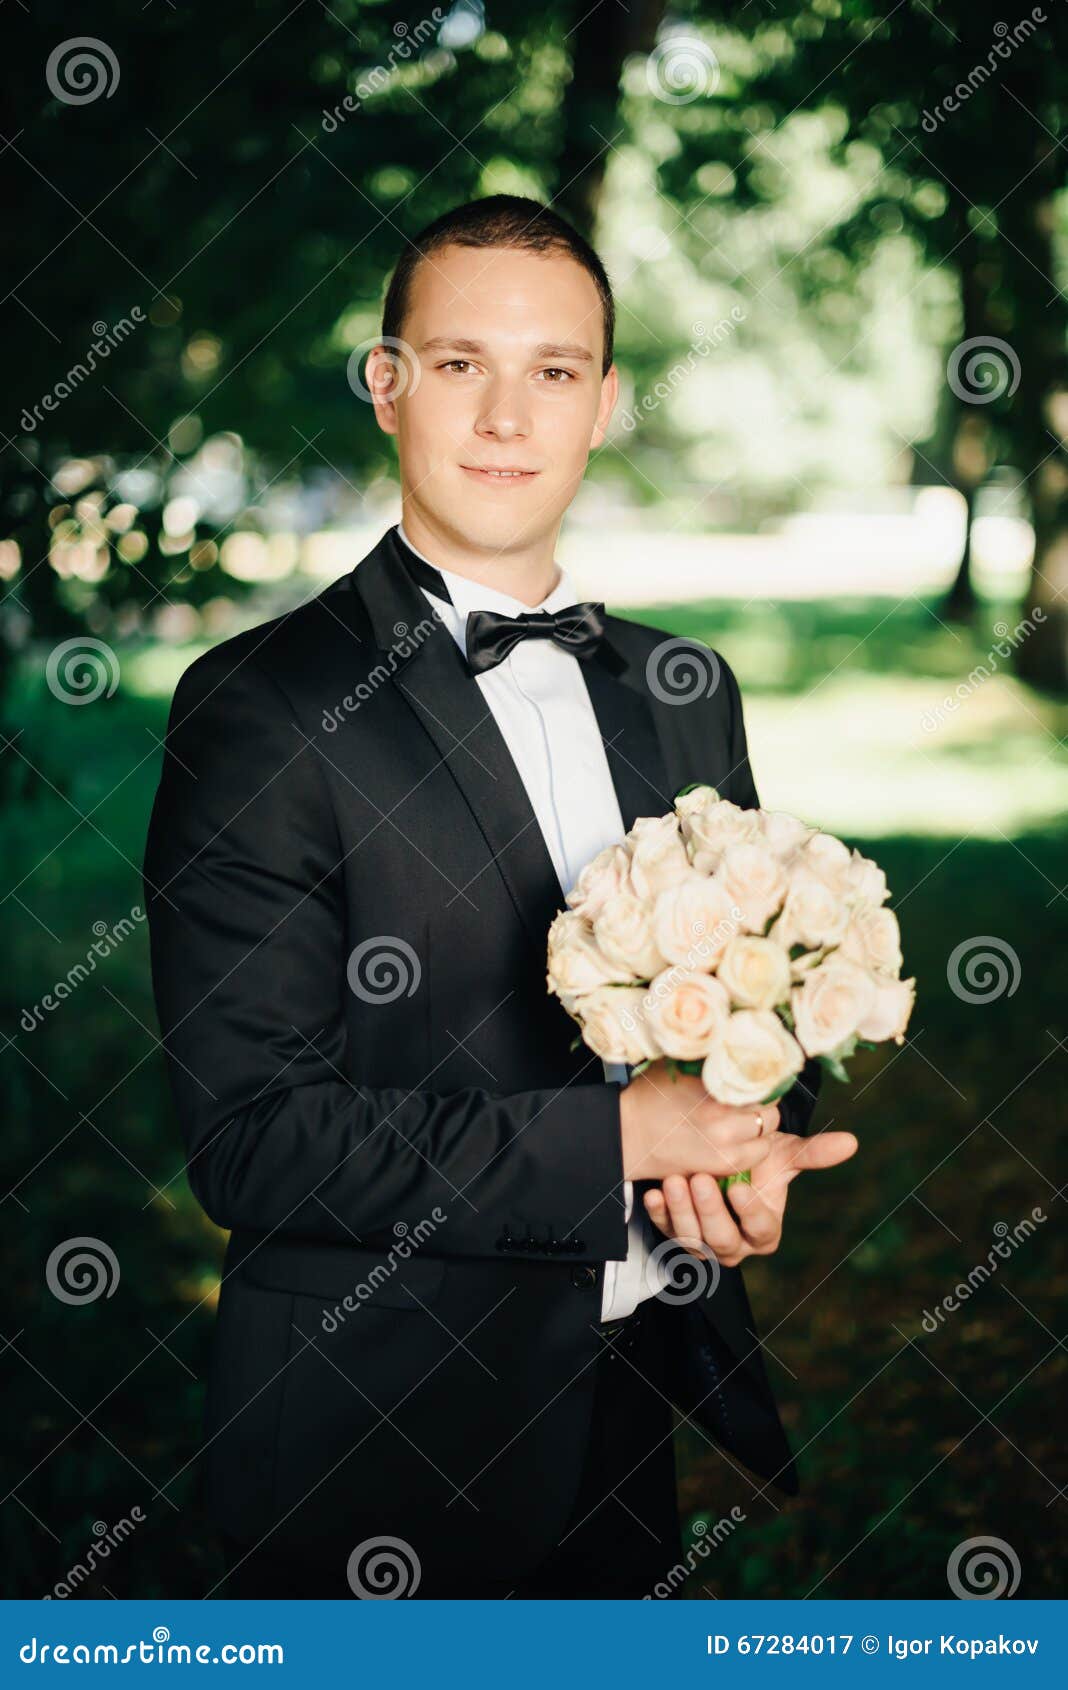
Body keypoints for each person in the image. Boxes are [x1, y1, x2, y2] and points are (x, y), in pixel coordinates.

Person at [143, 194, 858, 1600]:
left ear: (606, 405)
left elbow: (761, 996)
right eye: (461, 363)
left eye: (555, 370)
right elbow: (254, 1138)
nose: (507, 418)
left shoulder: (686, 689)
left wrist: (750, 1144)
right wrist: (618, 1141)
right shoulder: (261, 705)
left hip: (629, 1404)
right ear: (387, 385)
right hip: (373, 1436)